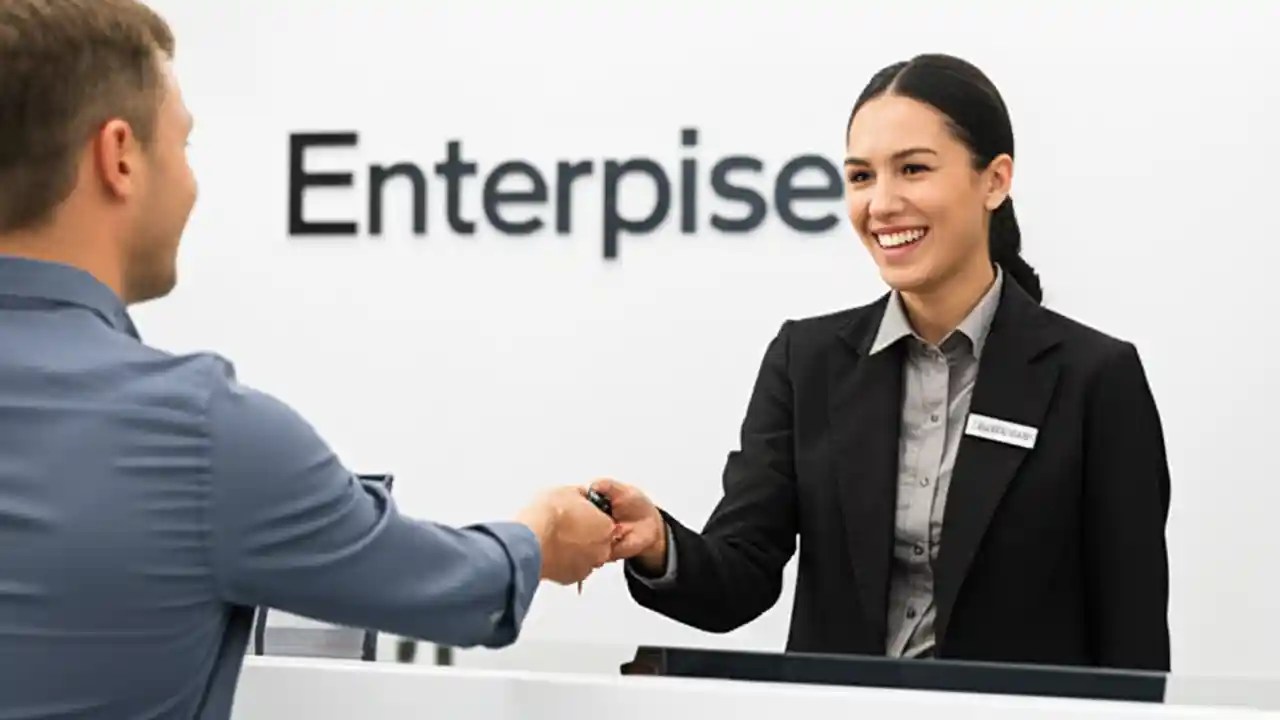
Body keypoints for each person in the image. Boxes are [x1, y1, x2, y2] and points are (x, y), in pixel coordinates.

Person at [0, 2, 615, 718]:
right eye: (186, 145)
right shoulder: (200, 431)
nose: (193, 184)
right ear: (120, 156)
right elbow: (459, 591)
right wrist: (540, 531)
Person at [594, 53, 1172, 671]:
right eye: (861, 177)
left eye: (914, 169)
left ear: (995, 181)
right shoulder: (807, 362)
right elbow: (740, 574)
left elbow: (1131, 641)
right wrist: (657, 542)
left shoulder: (1094, 377)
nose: (882, 204)